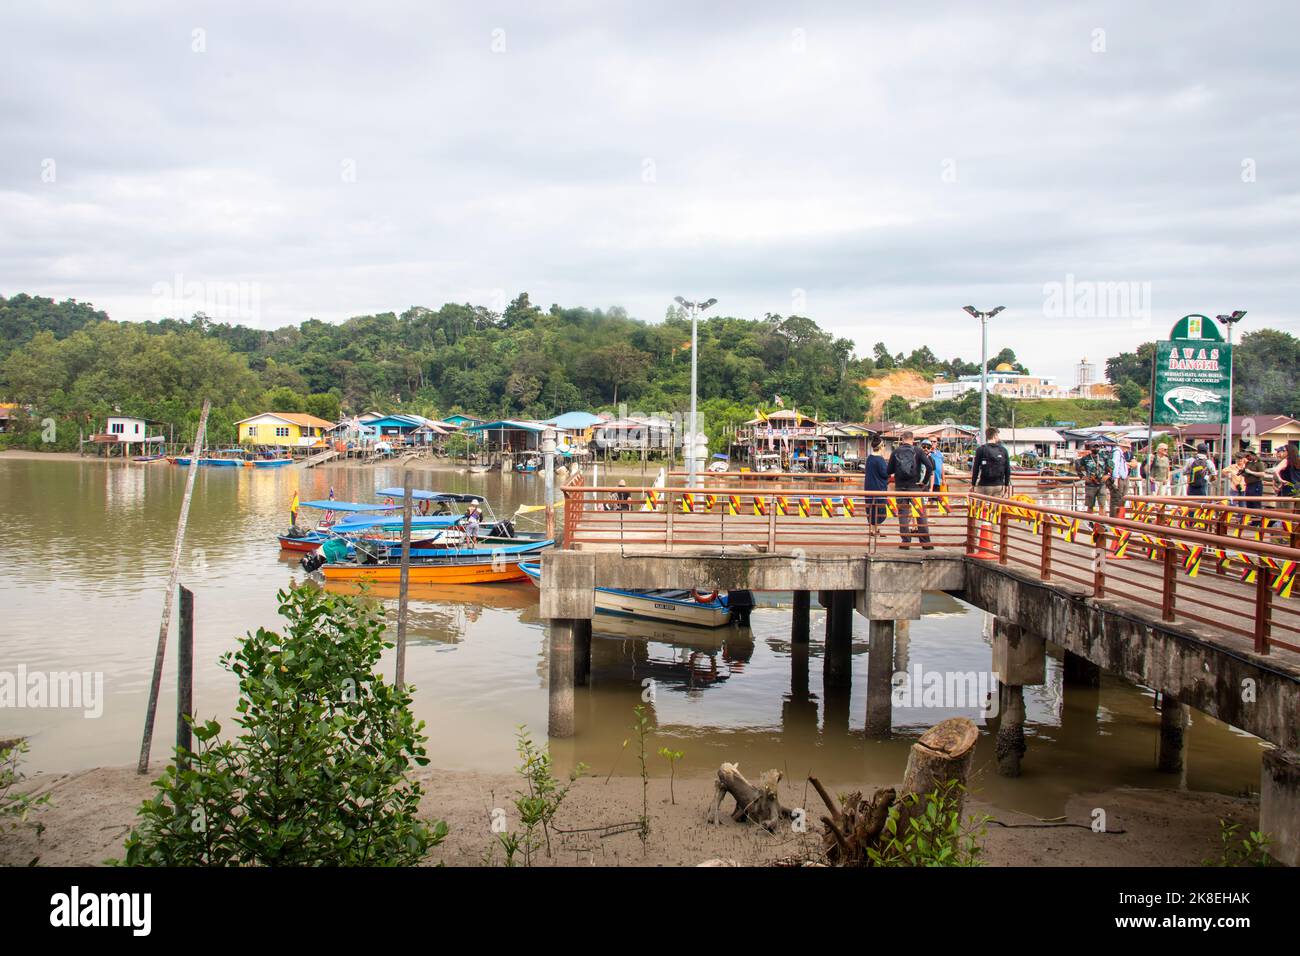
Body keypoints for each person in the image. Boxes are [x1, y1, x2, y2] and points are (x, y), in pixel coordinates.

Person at [887, 431, 933, 549]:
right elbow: (929, 466)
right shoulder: (918, 451)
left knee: (903, 515)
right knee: (920, 514)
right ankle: (925, 543)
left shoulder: (896, 451)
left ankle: (906, 542)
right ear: (912, 439)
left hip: (900, 488)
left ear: (902, 439)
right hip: (915, 488)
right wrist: (924, 481)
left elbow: (889, 471)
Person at [970, 427, 1012, 497]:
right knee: (996, 507)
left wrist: (973, 484)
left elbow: (976, 469)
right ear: (994, 436)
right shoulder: (1003, 450)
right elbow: (1007, 469)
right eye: (997, 435)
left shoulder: (980, 449)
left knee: (980, 507)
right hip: (998, 486)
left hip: (984, 485)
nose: (998, 437)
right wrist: (1006, 485)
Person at [1076, 441, 1111, 513]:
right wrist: (1082, 476)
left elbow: (1112, 466)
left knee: (1102, 505)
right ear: (1090, 448)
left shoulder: (1104, 457)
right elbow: (1077, 464)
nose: (1096, 448)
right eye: (1094, 447)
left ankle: (1102, 522)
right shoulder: (1085, 458)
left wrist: (1108, 475)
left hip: (1102, 484)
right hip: (1090, 485)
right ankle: (1090, 523)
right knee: (1090, 506)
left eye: (1097, 447)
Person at [864, 436, 890, 530]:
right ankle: (875, 529)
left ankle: (873, 529)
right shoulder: (880, 460)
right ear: (881, 446)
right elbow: (885, 474)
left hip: (869, 487)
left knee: (871, 509)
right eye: (884, 446)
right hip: (879, 488)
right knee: (880, 511)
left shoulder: (869, 458)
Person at [1109, 440, 1131, 517]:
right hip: (1119, 479)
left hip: (1121, 478)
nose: (1127, 449)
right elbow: (1115, 465)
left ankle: (1117, 518)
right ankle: (1114, 519)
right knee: (1117, 500)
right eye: (1127, 447)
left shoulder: (1119, 453)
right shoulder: (1117, 452)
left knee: (1120, 499)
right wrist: (1115, 479)